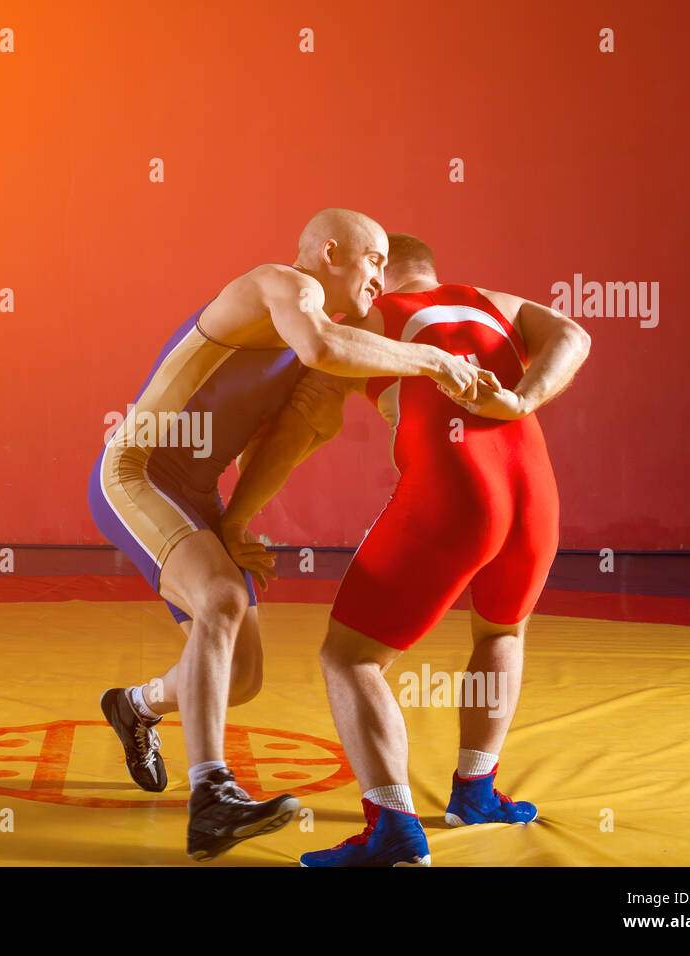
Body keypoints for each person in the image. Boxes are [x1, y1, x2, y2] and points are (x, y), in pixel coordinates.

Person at [88, 212, 499, 861]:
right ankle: (211, 797)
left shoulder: (320, 337)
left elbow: (294, 432)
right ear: (331, 252)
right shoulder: (283, 288)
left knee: (242, 676)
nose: (380, 278)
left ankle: (134, 707)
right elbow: (321, 348)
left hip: (196, 494)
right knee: (221, 602)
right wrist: (432, 360)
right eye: (374, 260)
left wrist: (233, 521)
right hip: (137, 472)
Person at [219, 233, 591, 866]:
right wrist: (521, 399)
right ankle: (476, 792)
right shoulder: (493, 302)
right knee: (501, 633)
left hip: (454, 493)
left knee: (351, 658)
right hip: (537, 494)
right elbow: (575, 336)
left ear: (380, 268)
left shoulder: (368, 317)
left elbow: (307, 418)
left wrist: (237, 517)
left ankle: (392, 830)